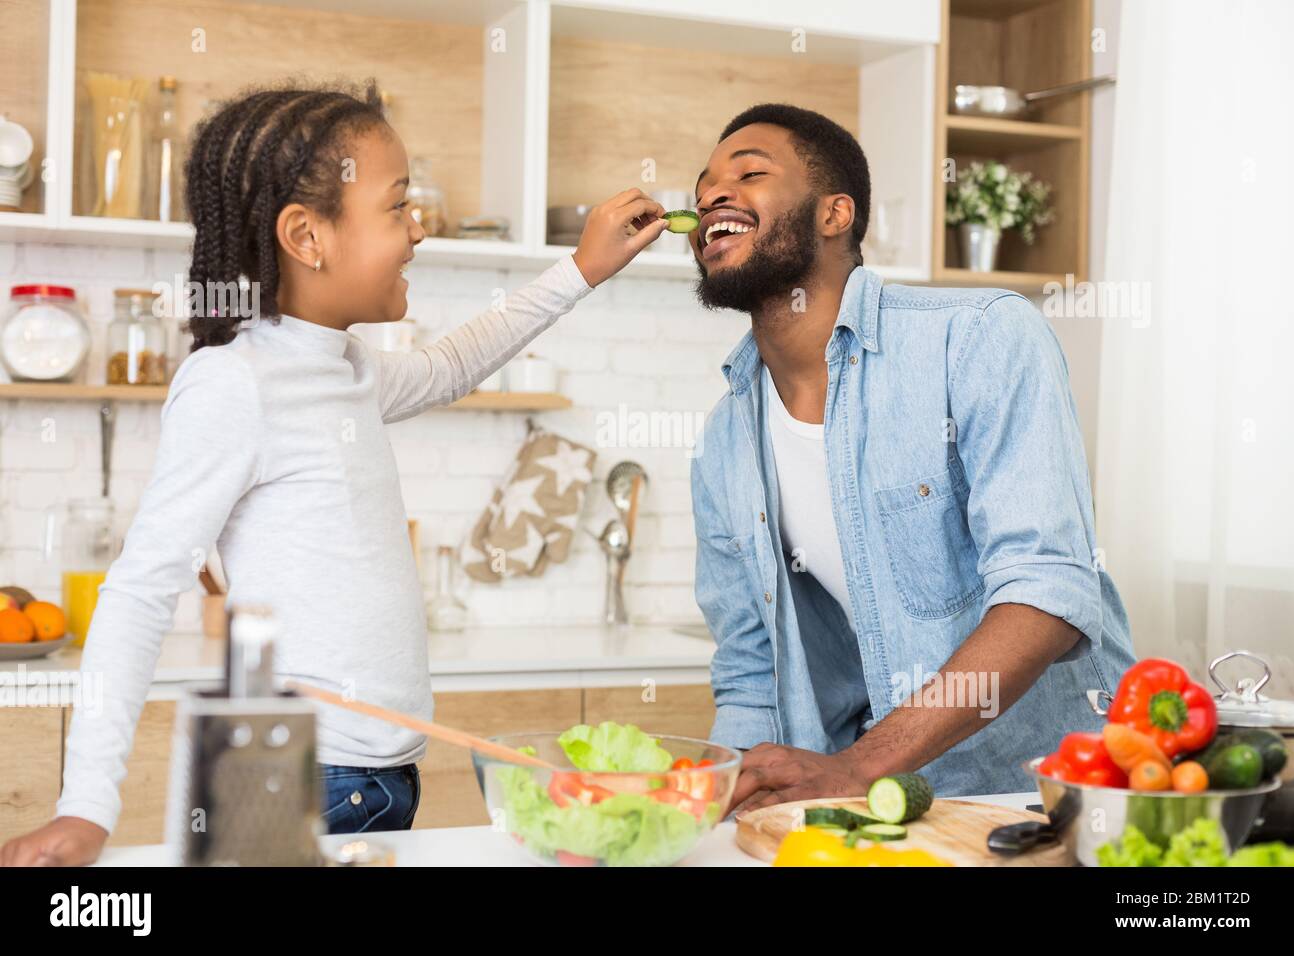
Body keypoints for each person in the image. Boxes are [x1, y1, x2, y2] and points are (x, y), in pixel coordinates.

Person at [0, 80, 668, 866]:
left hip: (381, 779)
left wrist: (581, 270)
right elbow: (141, 591)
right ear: (306, 236)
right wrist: (87, 807)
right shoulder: (236, 383)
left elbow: (451, 364)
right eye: (396, 206)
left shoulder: (342, 366)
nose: (417, 230)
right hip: (307, 781)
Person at [685, 104, 1137, 816]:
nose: (712, 194)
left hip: (1056, 794)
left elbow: (1047, 596)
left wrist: (858, 768)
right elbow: (751, 671)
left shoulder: (980, 339)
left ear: (836, 214)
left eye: (748, 173)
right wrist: (724, 805)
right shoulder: (723, 440)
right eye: (703, 186)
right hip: (892, 811)